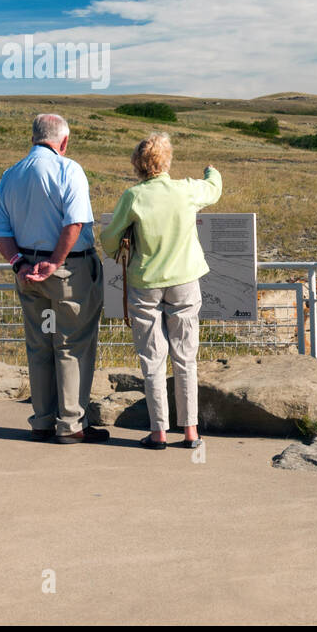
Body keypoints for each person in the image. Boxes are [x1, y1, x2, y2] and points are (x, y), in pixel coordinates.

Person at [0, 113, 108, 444]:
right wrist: (55, 262)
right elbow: (74, 223)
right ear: (64, 141)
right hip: (69, 271)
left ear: (33, 138)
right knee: (72, 344)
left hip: (28, 271)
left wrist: (19, 263)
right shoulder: (69, 170)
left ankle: (41, 420)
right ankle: (71, 424)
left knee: (40, 345)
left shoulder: (11, 174)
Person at [100, 132, 221, 450]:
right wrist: (212, 171)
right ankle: (191, 431)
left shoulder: (133, 196)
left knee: (152, 359)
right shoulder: (185, 190)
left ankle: (158, 433)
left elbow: (110, 239)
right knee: (185, 357)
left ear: (138, 165)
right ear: (166, 161)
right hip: (184, 281)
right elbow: (213, 189)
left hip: (145, 284)